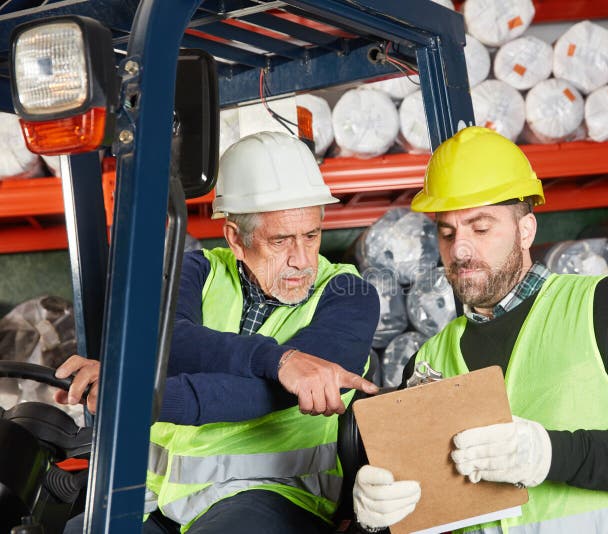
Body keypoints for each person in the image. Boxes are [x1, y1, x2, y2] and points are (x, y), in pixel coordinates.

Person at [352, 126, 608, 533]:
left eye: (481, 227)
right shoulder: (428, 361)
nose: (460, 249)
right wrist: (378, 516)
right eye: (447, 232)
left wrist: (549, 455)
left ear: (526, 231)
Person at [58, 131, 380, 533]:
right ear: (235, 239)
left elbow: (267, 393)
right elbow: (169, 344)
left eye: (311, 236)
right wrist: (278, 359)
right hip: (160, 493)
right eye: (281, 240)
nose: (301, 260)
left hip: (276, 492)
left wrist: (135, 396)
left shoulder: (350, 296)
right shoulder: (196, 271)